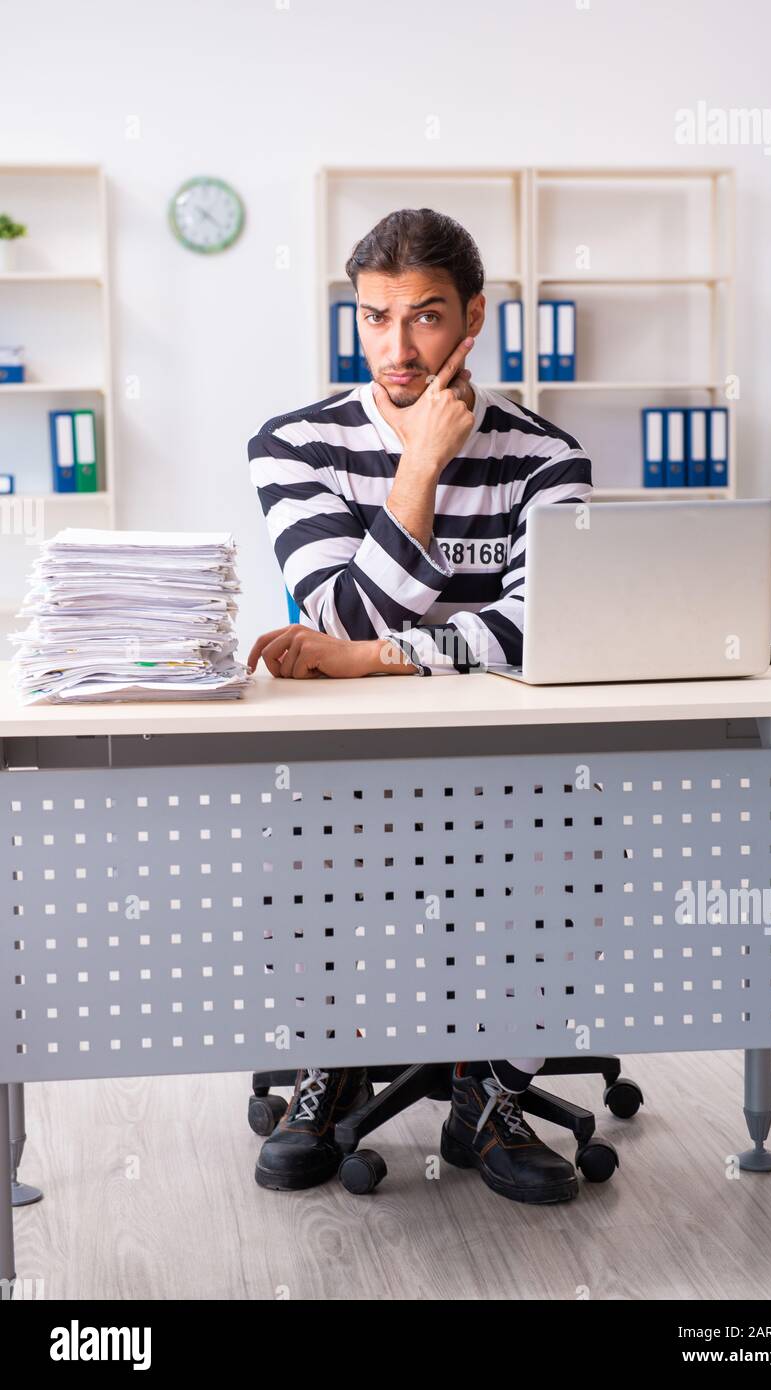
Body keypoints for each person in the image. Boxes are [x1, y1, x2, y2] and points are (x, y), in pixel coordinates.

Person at [247, 207, 592, 1204]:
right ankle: (331, 1060)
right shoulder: (295, 443)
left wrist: (367, 658)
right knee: (309, 847)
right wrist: (421, 465)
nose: (399, 348)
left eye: (427, 317)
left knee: (574, 842)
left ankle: (490, 1094)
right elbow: (340, 605)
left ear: (474, 319)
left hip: (509, 757)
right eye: (375, 318)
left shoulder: (547, 456)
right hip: (342, 760)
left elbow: (536, 632)